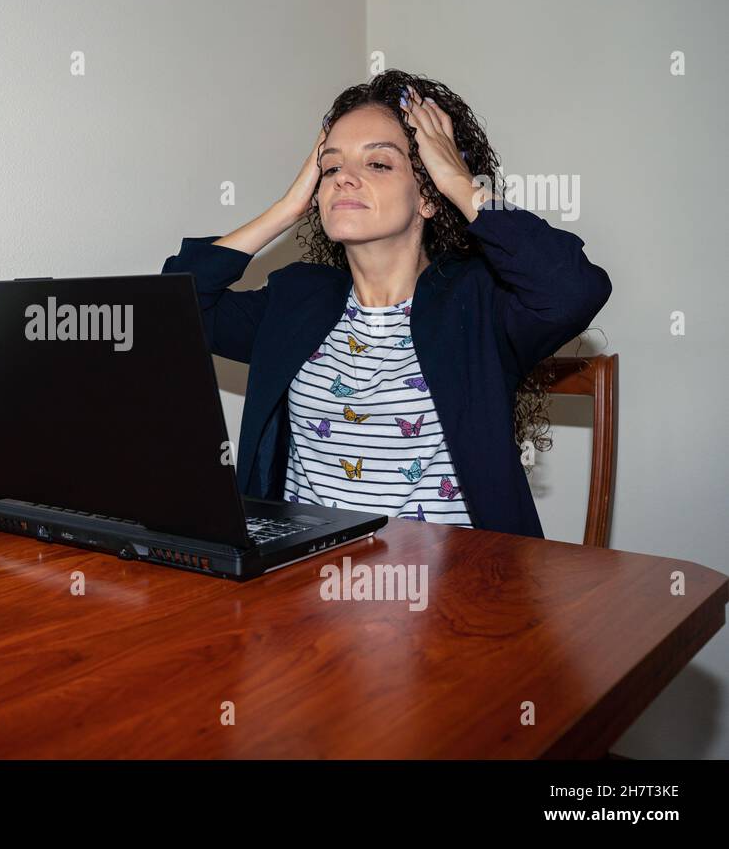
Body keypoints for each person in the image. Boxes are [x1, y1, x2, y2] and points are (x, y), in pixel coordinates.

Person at [161, 70, 611, 538]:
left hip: (455, 593)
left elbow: (574, 290)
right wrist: (289, 207)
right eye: (330, 168)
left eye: (378, 164)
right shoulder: (297, 299)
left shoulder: (476, 302)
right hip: (304, 586)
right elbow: (175, 310)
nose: (345, 180)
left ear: (428, 198)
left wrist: (459, 182)